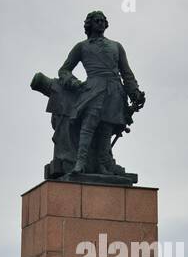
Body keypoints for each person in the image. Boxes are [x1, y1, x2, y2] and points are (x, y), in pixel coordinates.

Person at [58, 11, 146, 175]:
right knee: (88, 125)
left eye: (102, 20)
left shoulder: (116, 46)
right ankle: (80, 163)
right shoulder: (81, 47)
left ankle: (102, 164)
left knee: (106, 129)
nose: (100, 23)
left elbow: (126, 73)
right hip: (94, 88)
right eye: (96, 20)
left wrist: (135, 93)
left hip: (114, 91)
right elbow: (64, 70)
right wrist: (75, 83)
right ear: (89, 24)